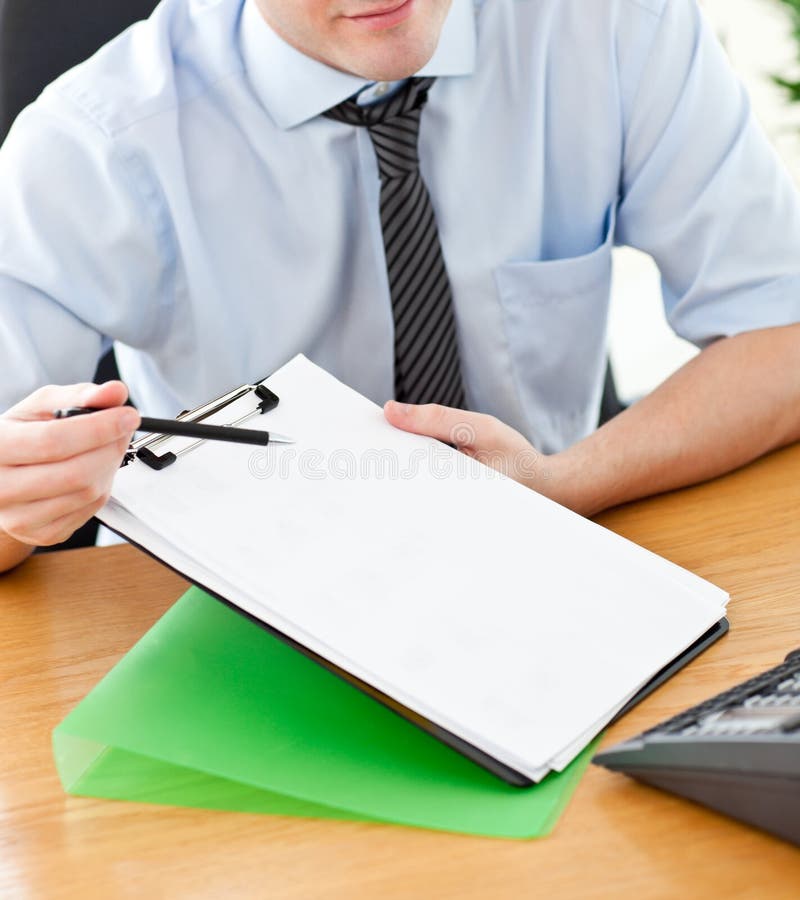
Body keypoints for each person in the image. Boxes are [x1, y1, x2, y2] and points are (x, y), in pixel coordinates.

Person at [1, 0, 799, 574]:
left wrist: (565, 485)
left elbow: (782, 333)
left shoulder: (617, 26)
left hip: (537, 558)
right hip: (225, 608)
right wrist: (19, 502)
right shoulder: (96, 143)